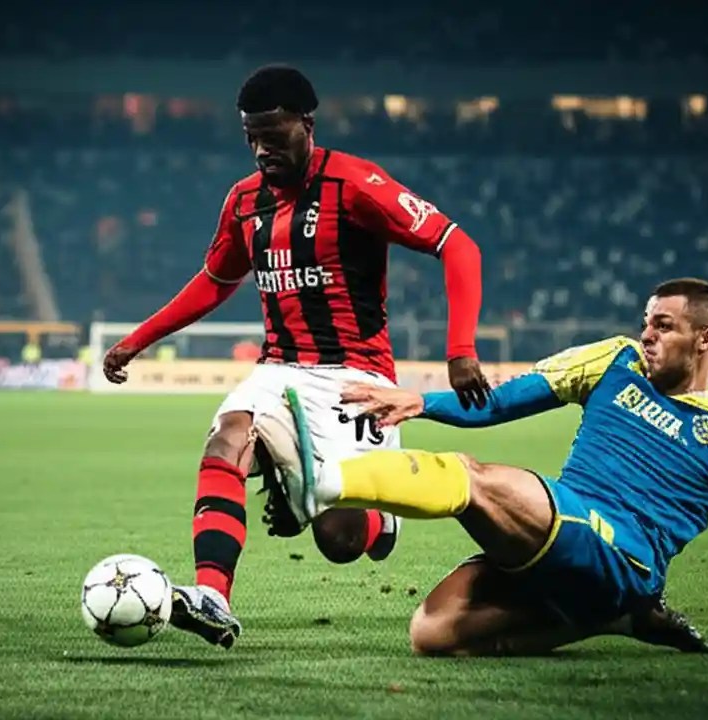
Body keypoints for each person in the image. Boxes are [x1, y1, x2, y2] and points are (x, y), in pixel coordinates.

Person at [254, 278, 708, 659]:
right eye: (647, 320)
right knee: (431, 636)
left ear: (706, 339)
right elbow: (505, 400)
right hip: (564, 534)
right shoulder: (612, 360)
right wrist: (422, 401)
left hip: (621, 549)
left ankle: (325, 485)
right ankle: (615, 621)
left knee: (473, 480)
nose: (646, 334)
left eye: (665, 326)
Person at [101, 64, 491, 649]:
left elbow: (456, 245)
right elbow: (214, 281)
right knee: (226, 437)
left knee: (339, 541)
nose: (261, 149)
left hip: (354, 377)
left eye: (274, 135)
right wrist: (139, 339)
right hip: (278, 368)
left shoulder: (356, 185)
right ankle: (212, 595)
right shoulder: (244, 202)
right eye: (250, 136)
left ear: (306, 125)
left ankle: (375, 514)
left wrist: (460, 348)